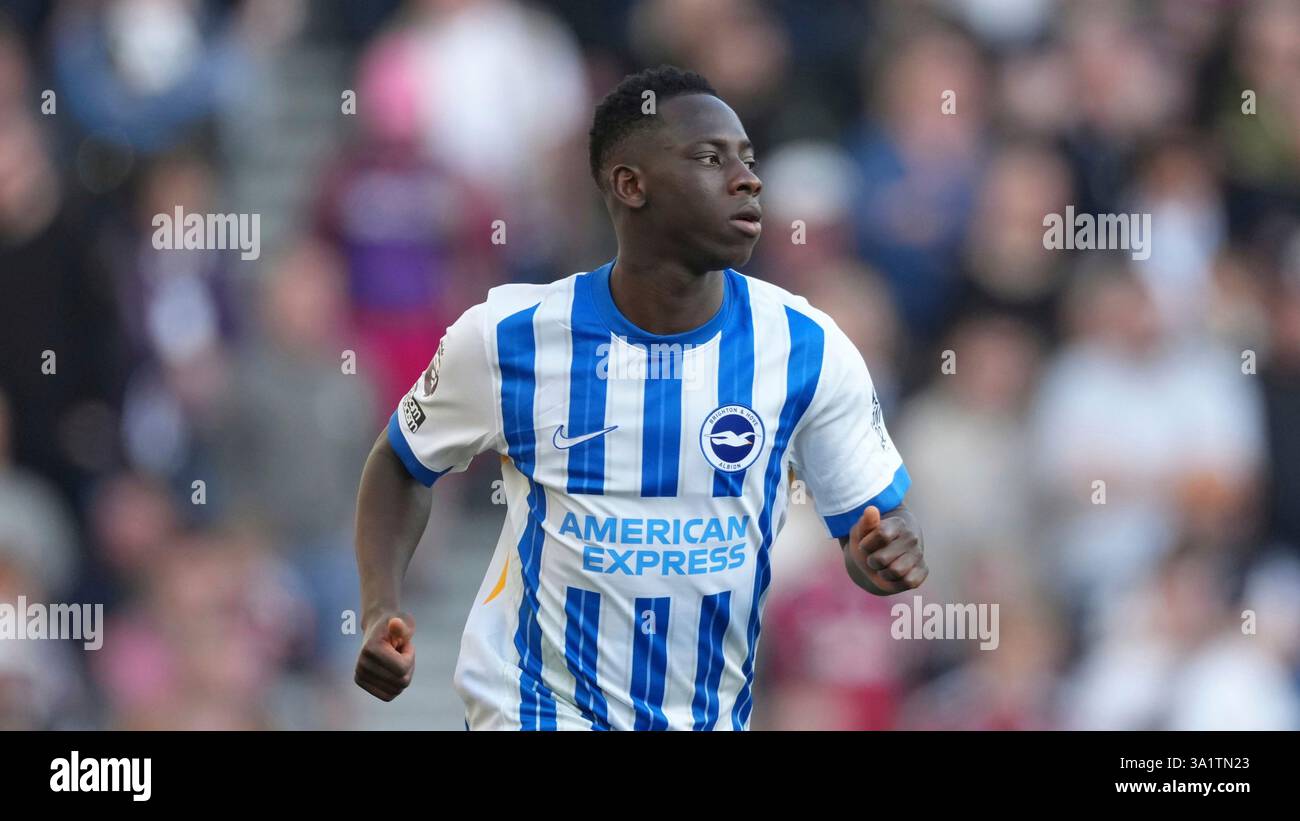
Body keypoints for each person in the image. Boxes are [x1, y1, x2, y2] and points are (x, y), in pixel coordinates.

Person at [352, 66, 924, 730]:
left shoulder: (807, 348)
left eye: (748, 159)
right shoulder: (511, 337)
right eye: (711, 158)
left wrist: (887, 552)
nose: (748, 179)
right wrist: (377, 608)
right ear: (631, 184)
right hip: (534, 709)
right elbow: (402, 461)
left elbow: (873, 526)